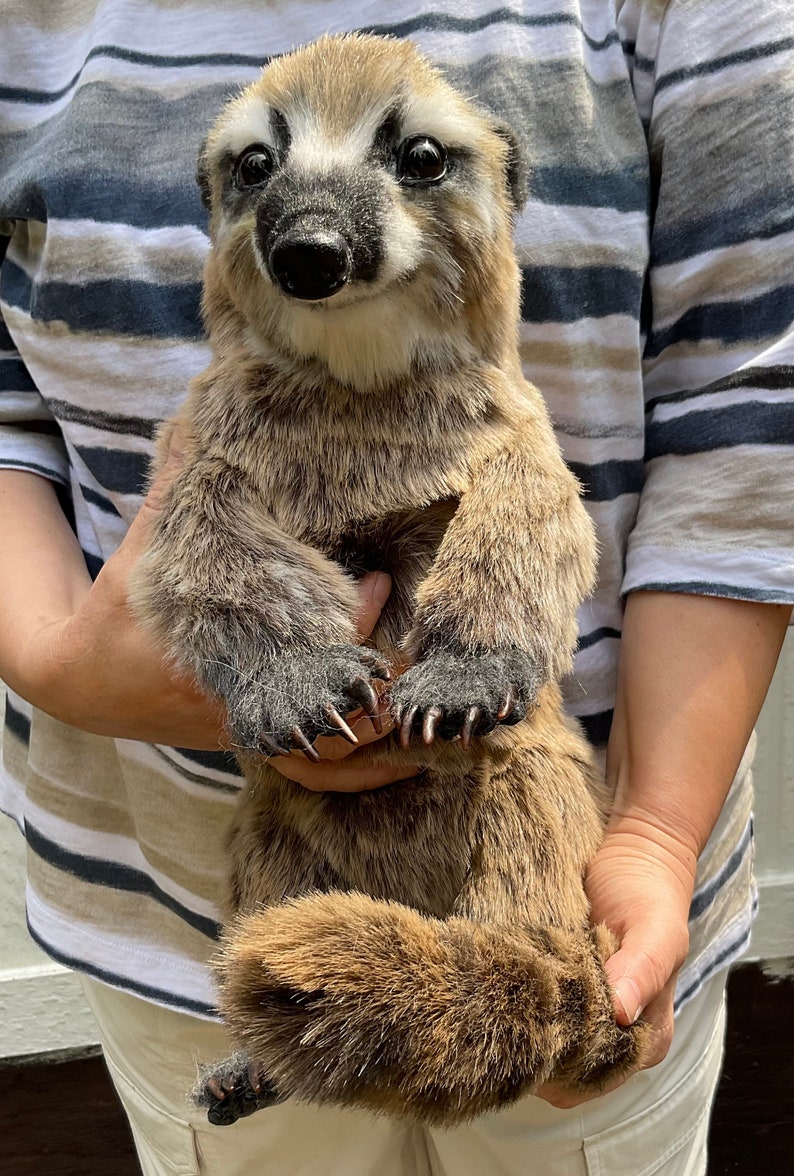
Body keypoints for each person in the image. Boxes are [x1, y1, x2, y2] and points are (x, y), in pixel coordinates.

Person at [0, 1, 792, 1173]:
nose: (306, 228)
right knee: (280, 914)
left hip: (577, 847)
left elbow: (741, 409)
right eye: (259, 169)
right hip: (171, 895)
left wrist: (655, 829)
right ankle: (297, 1023)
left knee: (526, 866)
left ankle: (515, 992)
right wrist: (62, 656)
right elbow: (199, 532)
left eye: (414, 161)